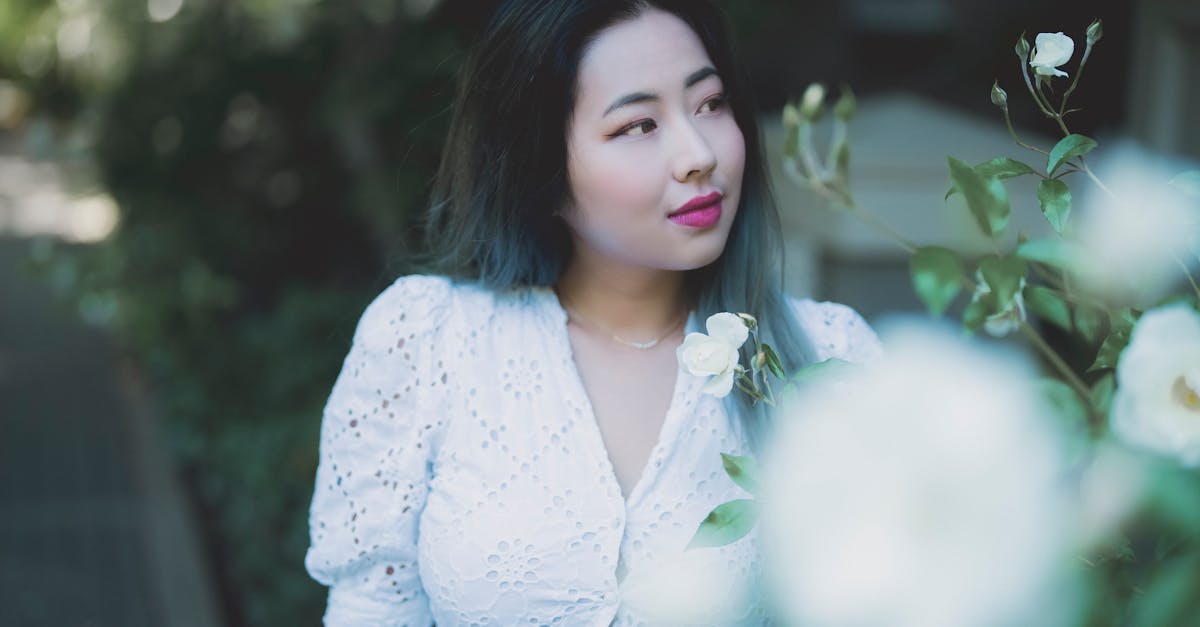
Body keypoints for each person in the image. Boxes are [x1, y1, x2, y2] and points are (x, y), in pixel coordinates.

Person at [304, 1, 881, 624]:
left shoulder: (828, 356)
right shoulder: (426, 340)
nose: (697, 155)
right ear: (542, 169)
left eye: (710, 104)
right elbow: (373, 607)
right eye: (638, 125)